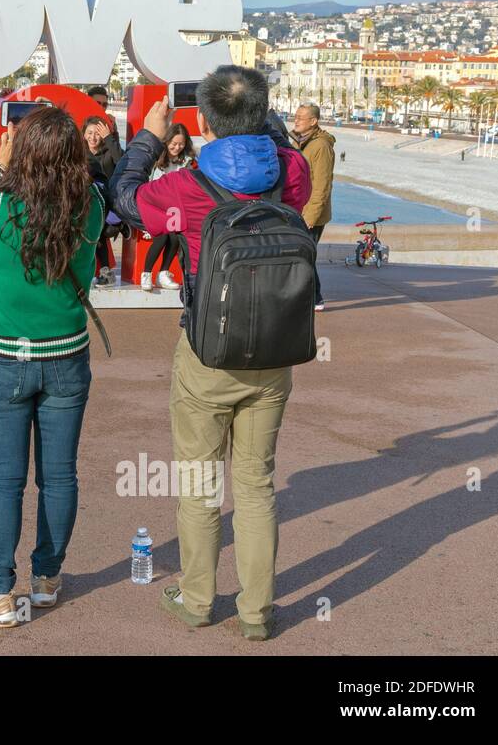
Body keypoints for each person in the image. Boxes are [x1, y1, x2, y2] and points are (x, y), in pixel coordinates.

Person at [108, 65, 311, 641]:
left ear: (201, 121)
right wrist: (259, 117)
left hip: (208, 350)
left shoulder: (187, 188)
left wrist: (148, 137)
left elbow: (125, 200)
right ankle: (256, 612)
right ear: (264, 113)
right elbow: (281, 159)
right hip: (275, 351)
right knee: (256, 484)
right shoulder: (290, 171)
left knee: (200, 484)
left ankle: (198, 598)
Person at [0, 106, 105, 627]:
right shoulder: (92, 204)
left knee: (4, 479)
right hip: (66, 354)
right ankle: (46, 579)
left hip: (3, 355)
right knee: (59, 476)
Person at [139, 122, 195, 293]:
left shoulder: (187, 161)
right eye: (174, 143)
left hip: (173, 208)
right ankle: (146, 273)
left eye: (181, 144)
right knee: (163, 235)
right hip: (152, 205)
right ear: (166, 141)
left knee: (176, 234)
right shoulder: (155, 158)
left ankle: (163, 272)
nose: (177, 147)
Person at [292, 103, 335, 311]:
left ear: (313, 121)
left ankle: (315, 298)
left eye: (301, 117)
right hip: (298, 211)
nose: (296, 120)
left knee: (305, 255)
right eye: (296, 116)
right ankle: (309, 296)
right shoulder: (301, 142)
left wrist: (310, 217)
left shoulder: (320, 146)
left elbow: (322, 185)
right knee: (301, 254)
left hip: (311, 214)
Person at [83, 114, 124, 286]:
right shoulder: (78, 153)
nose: (93, 137)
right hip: (87, 204)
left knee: (98, 229)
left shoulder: (109, 152)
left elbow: (123, 162)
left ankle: (105, 271)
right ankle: (99, 270)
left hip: (110, 207)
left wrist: (109, 139)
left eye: (97, 133)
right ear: (83, 134)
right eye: (89, 132)